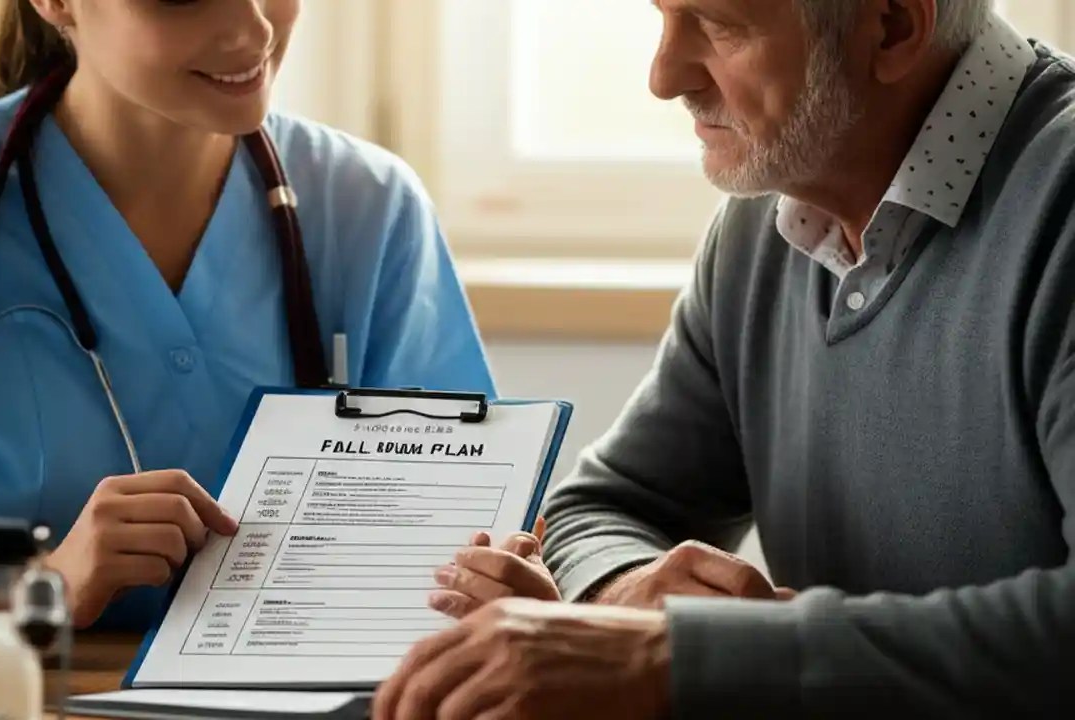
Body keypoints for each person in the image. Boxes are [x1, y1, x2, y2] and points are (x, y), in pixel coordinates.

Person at [381, 0, 1073, 716]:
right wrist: (630, 590)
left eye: (718, 24)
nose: (664, 76)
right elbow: (601, 506)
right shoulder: (768, 221)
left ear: (893, 26)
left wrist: (681, 655)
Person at [0, 0, 495, 656]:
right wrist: (42, 590)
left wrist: (492, 592)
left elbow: (450, 538)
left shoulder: (370, 208)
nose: (253, 30)